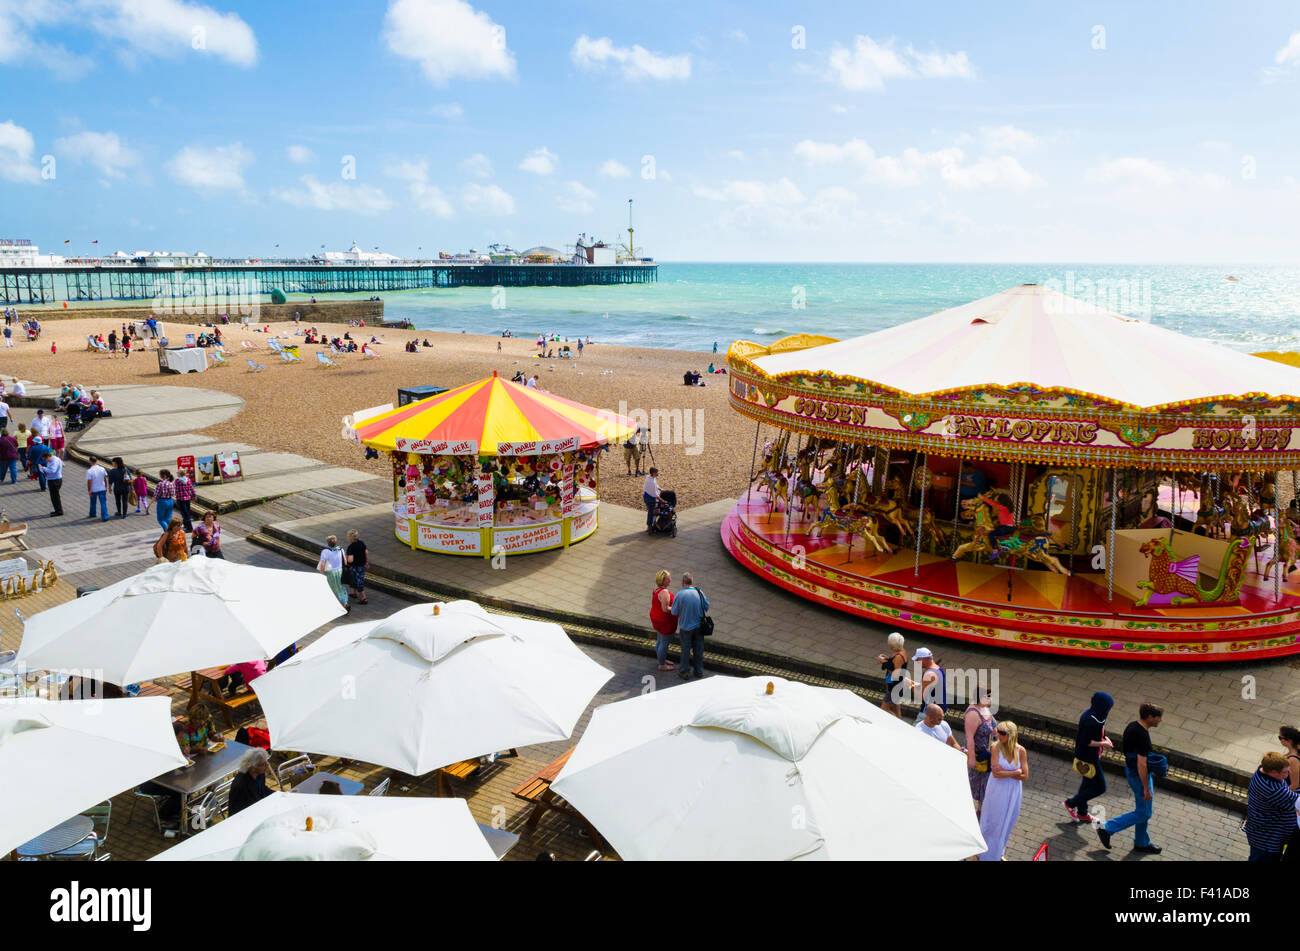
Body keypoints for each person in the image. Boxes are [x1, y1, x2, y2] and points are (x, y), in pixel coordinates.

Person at [1097, 702, 1164, 854]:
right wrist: (1146, 787)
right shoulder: (1143, 737)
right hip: (1139, 775)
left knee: (1143, 809)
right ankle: (1107, 828)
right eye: (1158, 717)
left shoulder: (1132, 726)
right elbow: (1142, 764)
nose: (1160, 720)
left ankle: (1141, 842)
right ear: (1149, 717)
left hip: (1131, 770)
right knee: (1144, 813)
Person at [978, 721, 1028, 861]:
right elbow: (996, 774)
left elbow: (1025, 776)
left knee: (1007, 822)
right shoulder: (995, 747)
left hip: (1013, 792)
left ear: (1011, 735)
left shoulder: (1021, 751)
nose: (998, 735)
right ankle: (982, 854)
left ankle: (998, 852)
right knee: (992, 822)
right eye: (998, 731)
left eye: (1002, 733)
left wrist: (1008, 772)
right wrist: (1015, 772)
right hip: (997, 790)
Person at [1064, 691, 1114, 823]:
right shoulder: (1090, 720)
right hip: (1087, 758)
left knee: (1086, 784)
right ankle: (1070, 803)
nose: (1109, 710)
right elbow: (1085, 741)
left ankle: (1082, 812)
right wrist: (1104, 743)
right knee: (1100, 787)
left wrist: (1105, 739)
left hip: (1092, 756)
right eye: (1108, 708)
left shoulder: (1098, 715)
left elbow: (1099, 732)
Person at [1243, 751, 1299, 861]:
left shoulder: (1263, 770)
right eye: (1285, 772)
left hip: (1263, 832)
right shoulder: (1272, 789)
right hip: (1266, 840)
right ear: (1273, 772)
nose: (1288, 775)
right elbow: (1297, 801)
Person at [669, 572, 709, 680]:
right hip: (699, 627)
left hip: (686, 627)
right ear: (692, 582)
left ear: (682, 582)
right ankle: (699, 671)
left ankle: (684, 671)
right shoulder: (699, 592)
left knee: (685, 650)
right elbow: (706, 606)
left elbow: (674, 612)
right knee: (699, 649)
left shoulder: (680, 594)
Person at [228, 750, 273, 816]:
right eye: (263, 764)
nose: (267, 765)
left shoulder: (260, 774)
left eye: (267, 762)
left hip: (260, 809)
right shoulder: (240, 786)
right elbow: (235, 813)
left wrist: (278, 794)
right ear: (252, 768)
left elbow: (262, 789)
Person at [905, 646, 946, 718]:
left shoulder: (929, 675)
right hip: (939, 709)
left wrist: (910, 685)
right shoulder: (938, 669)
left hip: (930, 713)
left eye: (917, 660)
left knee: (916, 728)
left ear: (923, 659)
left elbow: (922, 696)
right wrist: (910, 681)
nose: (916, 662)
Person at [649, 569, 678, 672]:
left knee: (660, 641)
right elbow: (665, 609)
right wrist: (677, 608)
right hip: (665, 621)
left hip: (657, 618)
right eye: (668, 579)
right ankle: (662, 665)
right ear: (663, 581)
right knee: (664, 643)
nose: (670, 580)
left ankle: (661, 659)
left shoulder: (656, 588)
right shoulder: (664, 592)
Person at [876, 632, 908, 718]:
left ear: (892, 645)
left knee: (884, 709)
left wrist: (883, 662)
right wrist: (887, 659)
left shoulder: (898, 657)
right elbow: (894, 665)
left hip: (894, 687)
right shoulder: (901, 651)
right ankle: (900, 724)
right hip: (897, 686)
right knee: (896, 708)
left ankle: (897, 723)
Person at [318, 534, 349, 611]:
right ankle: (345, 603)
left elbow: (322, 563)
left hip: (330, 573)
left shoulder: (325, 551)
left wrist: (321, 574)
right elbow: (345, 562)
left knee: (330, 588)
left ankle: (332, 604)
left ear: (328, 543)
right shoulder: (341, 549)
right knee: (339, 587)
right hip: (339, 571)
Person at [344, 529, 368, 604]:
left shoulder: (351, 547)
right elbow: (366, 552)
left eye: (348, 536)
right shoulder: (361, 543)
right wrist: (367, 562)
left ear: (350, 538)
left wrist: (346, 559)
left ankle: (364, 598)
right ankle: (354, 593)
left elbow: (350, 560)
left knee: (359, 581)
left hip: (356, 566)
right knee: (354, 579)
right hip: (363, 565)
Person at [85, 455, 109, 522]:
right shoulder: (102, 469)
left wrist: (89, 490)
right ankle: (105, 516)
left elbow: (89, 482)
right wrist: (106, 487)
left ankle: (93, 513)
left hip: (94, 489)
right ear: (96, 461)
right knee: (103, 503)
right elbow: (105, 479)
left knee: (93, 502)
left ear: (90, 461)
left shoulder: (89, 471)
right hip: (102, 488)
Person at [40, 448, 63, 516]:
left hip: (54, 481)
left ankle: (59, 511)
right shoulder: (54, 459)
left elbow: (52, 470)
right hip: (54, 479)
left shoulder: (54, 461)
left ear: (48, 456)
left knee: (55, 497)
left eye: (45, 459)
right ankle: (57, 510)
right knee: (54, 497)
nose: (46, 461)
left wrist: (43, 468)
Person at [642, 466, 662, 532]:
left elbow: (656, 485)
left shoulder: (649, 477)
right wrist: (662, 500)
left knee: (652, 511)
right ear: (653, 473)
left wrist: (660, 489)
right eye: (656, 473)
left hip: (646, 496)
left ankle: (652, 524)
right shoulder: (651, 482)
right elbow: (654, 494)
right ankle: (649, 526)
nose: (657, 474)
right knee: (651, 512)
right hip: (650, 499)